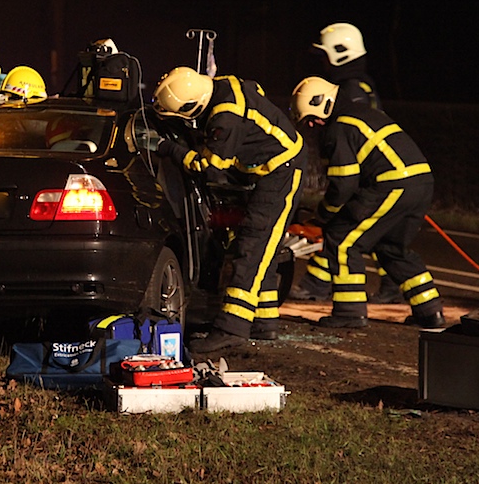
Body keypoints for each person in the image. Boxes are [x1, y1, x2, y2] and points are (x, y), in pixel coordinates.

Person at [152, 66, 306, 353]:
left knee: (252, 247)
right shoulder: (220, 85)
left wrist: (169, 149)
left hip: (280, 171)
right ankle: (265, 321)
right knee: (264, 251)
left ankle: (231, 328)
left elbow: (209, 168)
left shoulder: (225, 120)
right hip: (276, 166)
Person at [289, 76, 445, 330]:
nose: (314, 125)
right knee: (391, 248)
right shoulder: (363, 113)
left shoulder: (338, 128)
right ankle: (429, 311)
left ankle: (350, 312)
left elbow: (344, 184)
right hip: (420, 182)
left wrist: (323, 215)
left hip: (390, 184)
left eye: (312, 118)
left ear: (324, 104)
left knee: (341, 239)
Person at [312, 22, 404, 304]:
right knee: (376, 232)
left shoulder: (351, 90)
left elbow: (349, 132)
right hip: (374, 168)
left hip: (367, 171)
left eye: (326, 55)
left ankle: (317, 285)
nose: (323, 62)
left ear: (339, 54)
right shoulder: (360, 85)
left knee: (343, 227)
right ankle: (389, 286)